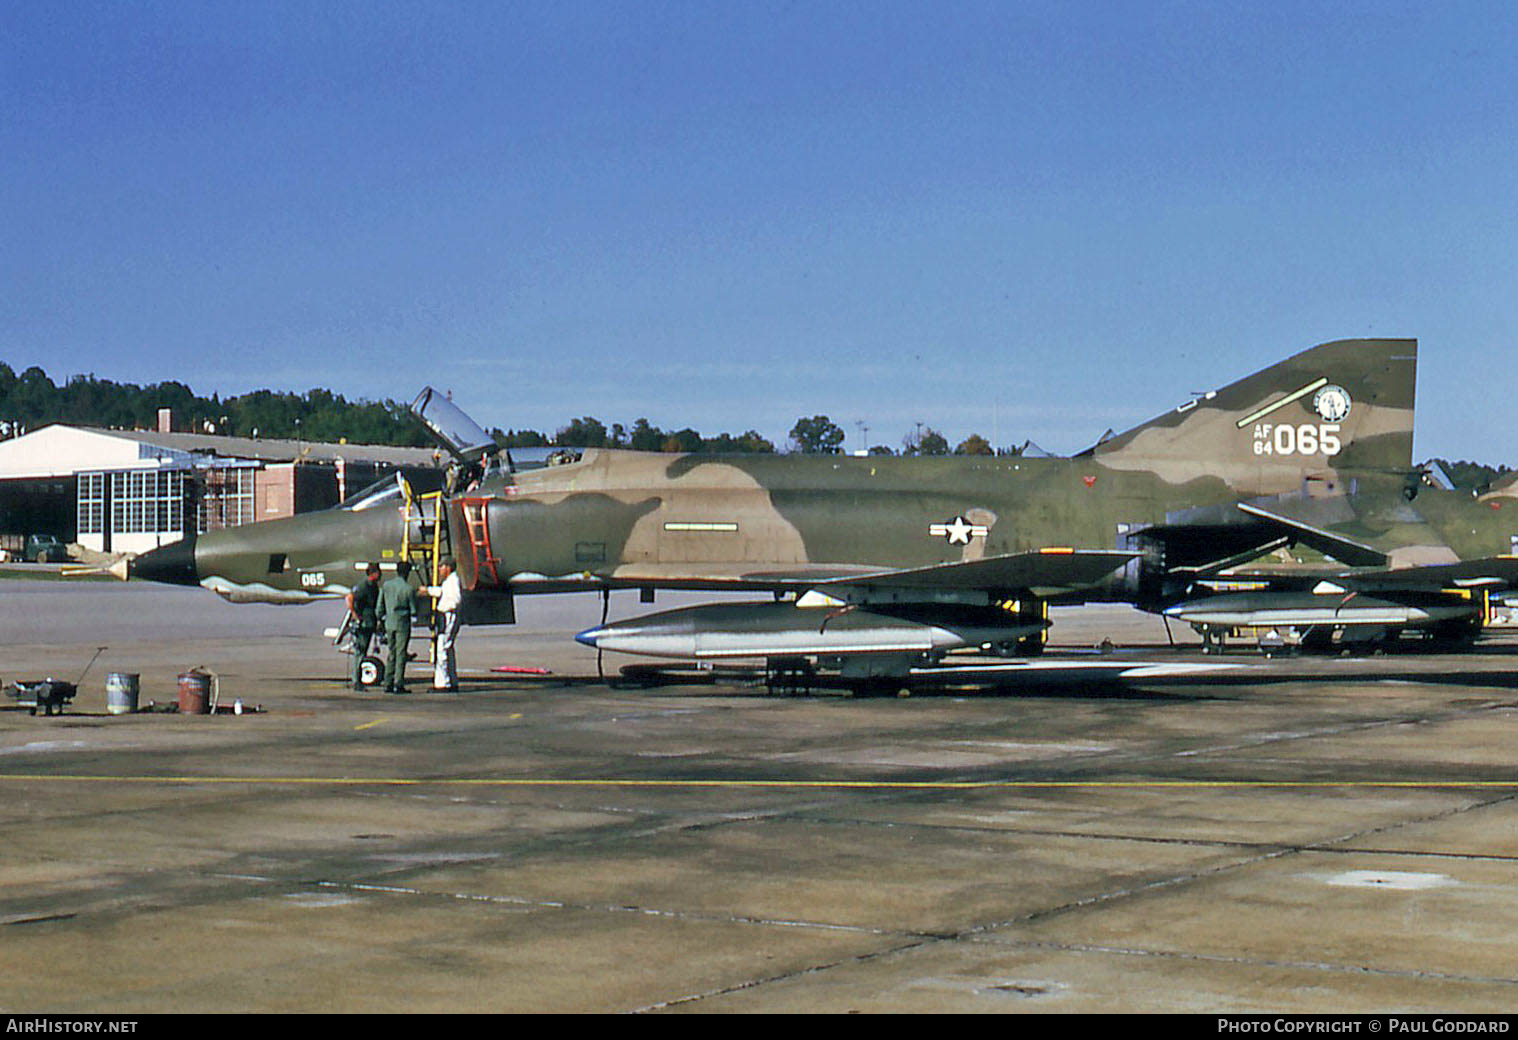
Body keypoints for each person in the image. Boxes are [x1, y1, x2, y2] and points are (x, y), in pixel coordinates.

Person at [376, 559, 421, 694]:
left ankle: (387, 683)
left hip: (389, 622)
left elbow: (380, 607)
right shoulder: (408, 589)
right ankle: (398, 683)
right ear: (407, 573)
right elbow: (413, 610)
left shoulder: (386, 586)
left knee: (392, 653)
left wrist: (381, 619)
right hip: (402, 623)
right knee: (401, 654)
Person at [427, 555, 462, 692]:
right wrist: (429, 591)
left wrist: (445, 608)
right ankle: (452, 680)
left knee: (442, 650)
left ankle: (443, 684)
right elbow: (444, 592)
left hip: (448, 616)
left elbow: (455, 599)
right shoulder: (449, 581)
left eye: (441, 566)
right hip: (446, 616)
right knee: (448, 649)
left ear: (448, 567)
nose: (439, 569)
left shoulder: (453, 581)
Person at [344, 562, 382, 689]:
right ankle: (356, 681)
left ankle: (357, 680)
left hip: (369, 622)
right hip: (363, 624)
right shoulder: (364, 586)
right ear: (374, 573)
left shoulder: (373, 586)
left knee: (363, 652)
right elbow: (350, 598)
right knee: (360, 653)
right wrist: (355, 616)